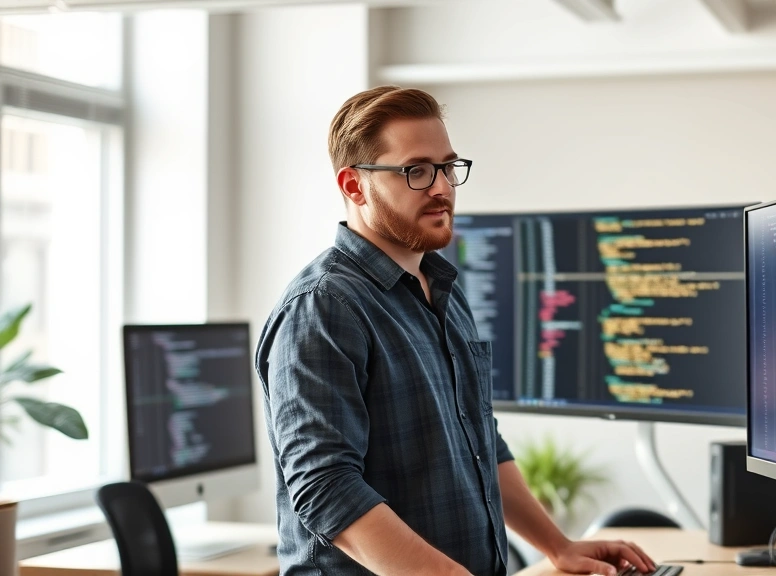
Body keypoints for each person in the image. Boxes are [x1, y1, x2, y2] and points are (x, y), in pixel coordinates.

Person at [255, 85, 656, 576]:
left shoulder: (440, 284)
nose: (442, 187)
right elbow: (325, 488)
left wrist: (558, 545)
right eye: (416, 171)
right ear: (355, 186)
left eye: (448, 167)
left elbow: (478, 437)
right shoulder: (322, 307)